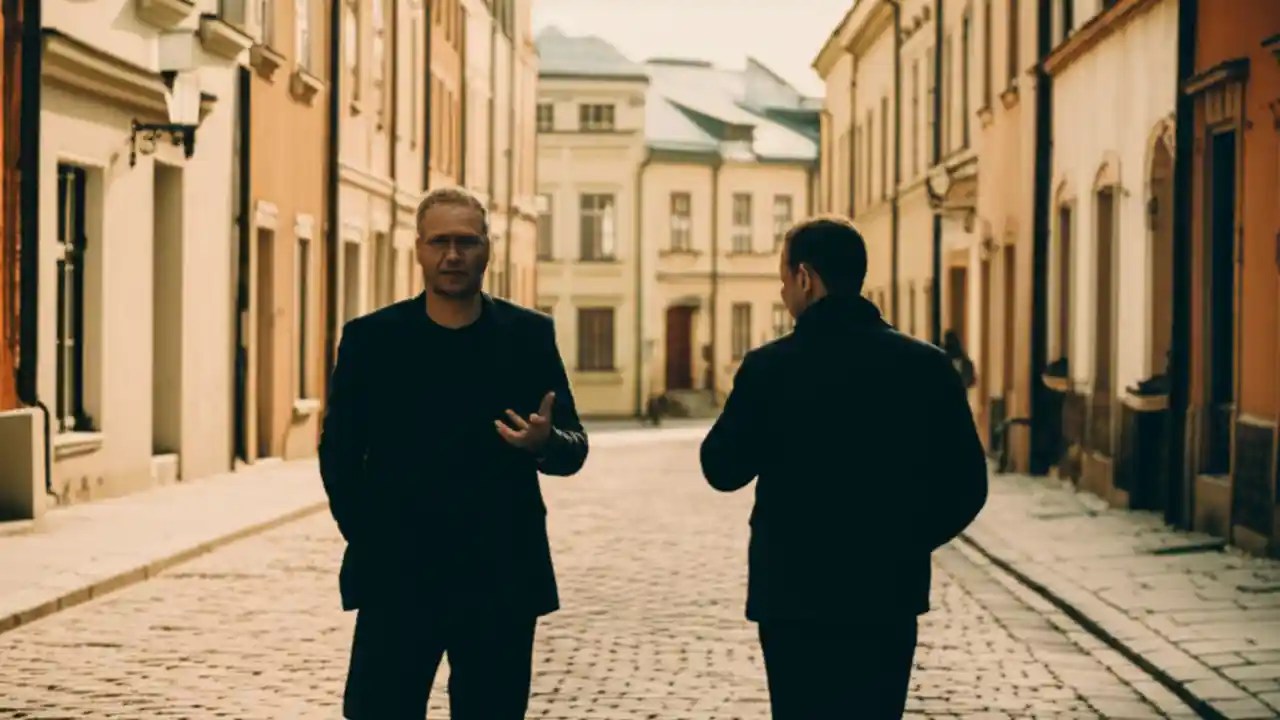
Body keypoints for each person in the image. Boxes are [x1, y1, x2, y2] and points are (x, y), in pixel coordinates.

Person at [699, 216, 989, 719]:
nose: (785, 292)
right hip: (885, 589)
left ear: (807, 278)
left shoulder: (771, 366)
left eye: (785, 280)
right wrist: (906, 539)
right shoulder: (925, 365)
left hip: (794, 592)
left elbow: (722, 468)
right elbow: (968, 485)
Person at [318, 186, 588, 719]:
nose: (453, 255)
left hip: (500, 575)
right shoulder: (373, 340)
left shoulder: (527, 336)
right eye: (439, 241)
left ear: (488, 249)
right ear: (417, 249)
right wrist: (370, 535)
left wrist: (544, 444)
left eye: (466, 242)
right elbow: (339, 454)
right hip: (399, 574)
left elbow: (573, 447)